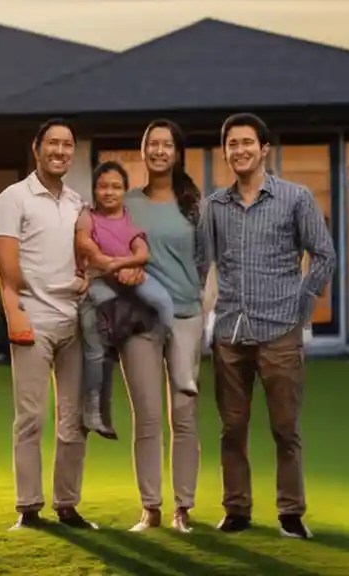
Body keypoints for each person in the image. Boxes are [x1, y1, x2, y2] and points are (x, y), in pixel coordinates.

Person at [199, 112, 335, 540]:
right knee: (232, 428)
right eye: (232, 144)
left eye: (246, 143)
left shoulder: (295, 198)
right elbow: (201, 264)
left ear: (264, 150)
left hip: (280, 331)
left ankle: (291, 513)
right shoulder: (214, 206)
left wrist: (302, 303)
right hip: (230, 334)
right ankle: (236, 510)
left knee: (285, 429)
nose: (240, 150)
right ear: (225, 153)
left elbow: (324, 254)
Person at [0, 117, 96, 531]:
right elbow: (5, 262)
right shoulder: (13, 198)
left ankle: (67, 505)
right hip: (32, 321)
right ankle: (29, 507)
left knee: (74, 419)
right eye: (52, 143)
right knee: (31, 417)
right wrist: (14, 312)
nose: (60, 151)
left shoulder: (76, 202)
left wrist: (86, 277)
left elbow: (83, 253)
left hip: (74, 323)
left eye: (67, 145)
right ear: (36, 149)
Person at [106, 119, 210, 534]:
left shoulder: (195, 206)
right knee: (146, 417)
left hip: (185, 318)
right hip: (139, 321)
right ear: (144, 150)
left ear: (178, 153)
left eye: (167, 145)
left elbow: (206, 262)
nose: (159, 151)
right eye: (153, 144)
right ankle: (150, 507)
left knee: (183, 416)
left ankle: (183, 507)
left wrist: (197, 302)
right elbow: (112, 252)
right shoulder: (128, 203)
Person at [75, 161, 191, 431]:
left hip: (127, 275)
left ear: (125, 191)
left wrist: (126, 266)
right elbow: (87, 246)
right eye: (102, 186)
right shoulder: (88, 217)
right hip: (99, 283)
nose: (109, 192)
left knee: (162, 300)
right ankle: (92, 407)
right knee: (96, 347)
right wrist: (112, 265)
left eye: (116, 187)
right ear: (94, 190)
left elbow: (143, 252)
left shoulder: (128, 218)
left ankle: (171, 346)